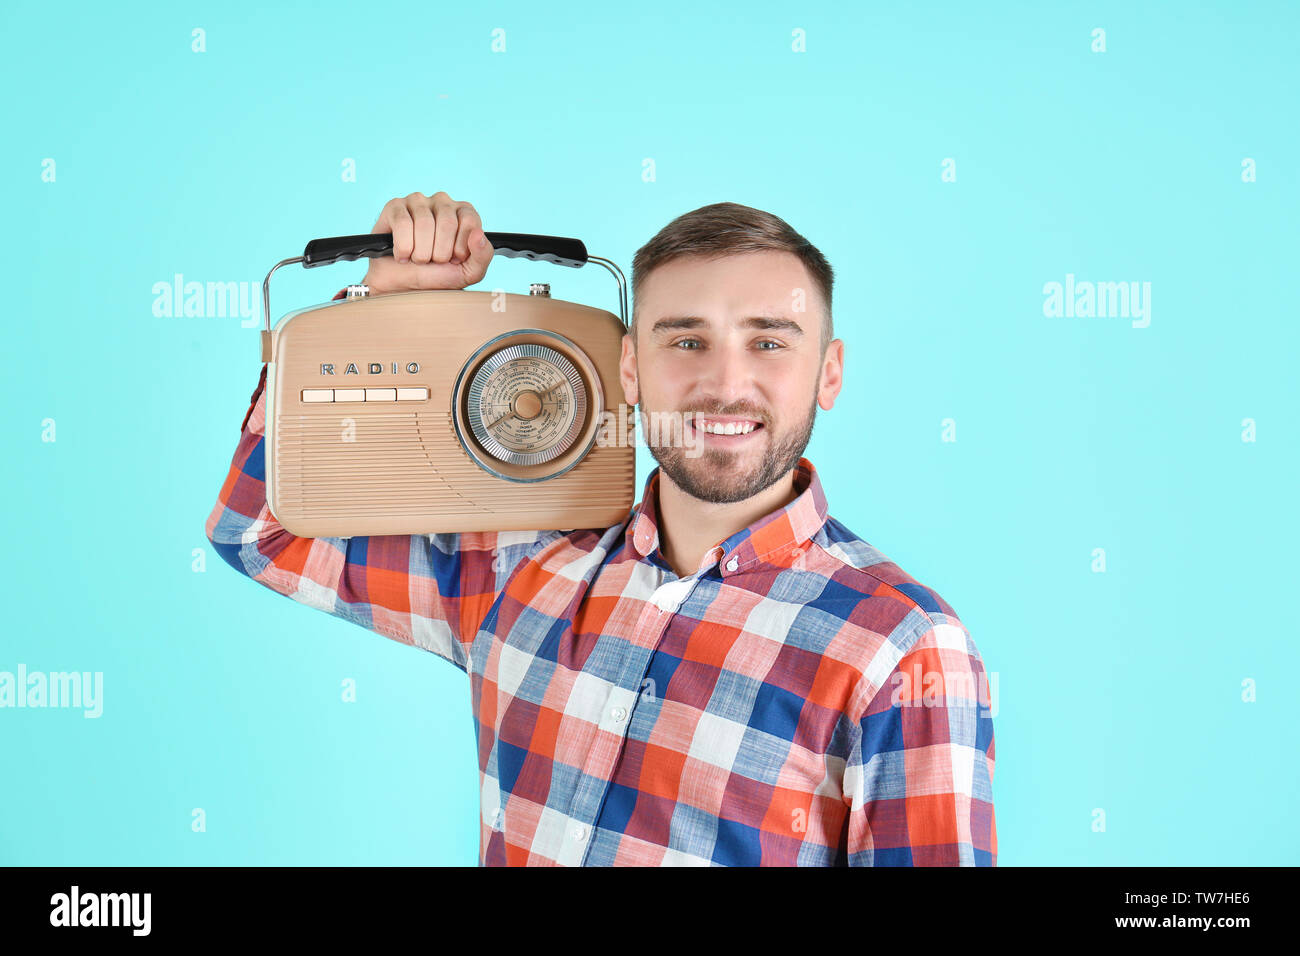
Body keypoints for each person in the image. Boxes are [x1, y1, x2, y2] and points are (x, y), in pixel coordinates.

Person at [206, 190, 997, 866]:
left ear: (828, 373)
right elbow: (262, 533)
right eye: (685, 340)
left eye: (768, 342)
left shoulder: (904, 648)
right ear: (629, 369)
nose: (725, 384)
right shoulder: (518, 563)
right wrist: (383, 315)